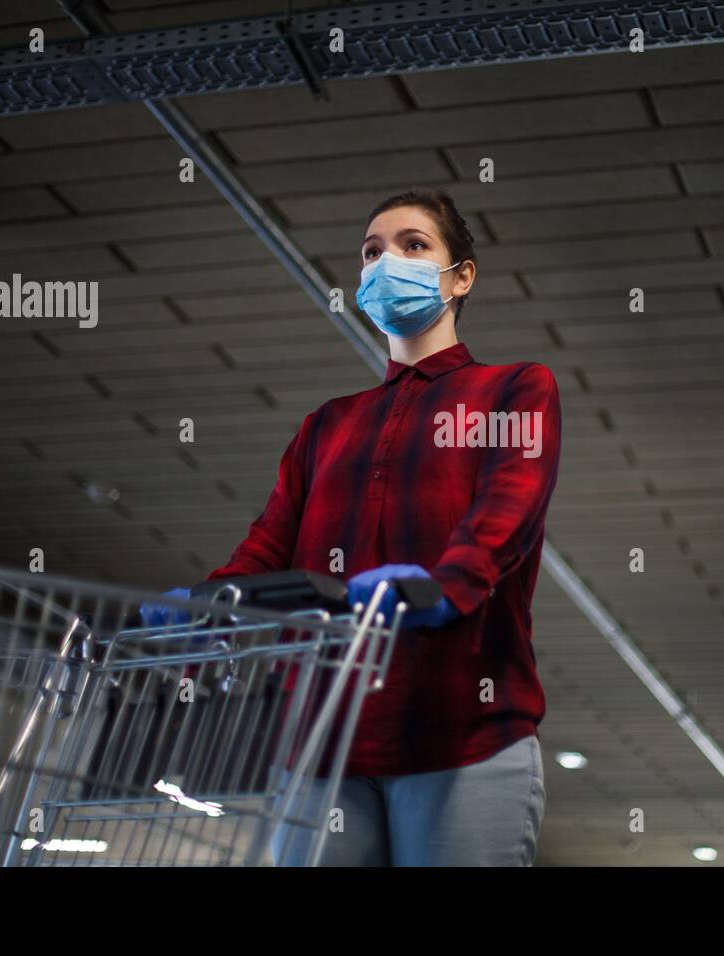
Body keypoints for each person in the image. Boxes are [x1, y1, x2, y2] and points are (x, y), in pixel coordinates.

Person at [149, 188, 562, 866]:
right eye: (372, 252)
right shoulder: (327, 425)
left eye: (413, 245)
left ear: (462, 276)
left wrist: (440, 587)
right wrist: (205, 606)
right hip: (320, 739)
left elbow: (506, 513)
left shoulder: (513, 390)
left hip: (460, 731)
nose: (386, 262)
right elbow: (269, 546)